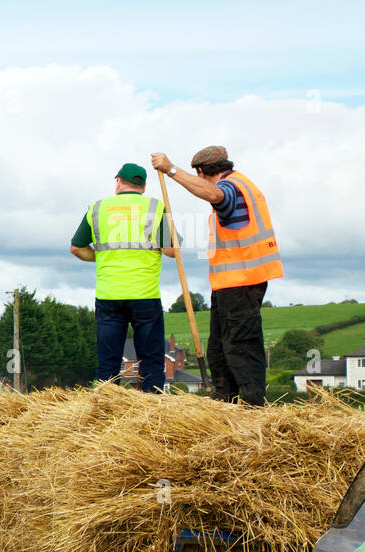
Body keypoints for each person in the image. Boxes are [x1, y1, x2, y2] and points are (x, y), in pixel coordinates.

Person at [151, 146, 282, 405]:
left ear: (202, 172)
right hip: (231, 284)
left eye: (197, 176)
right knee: (220, 349)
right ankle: (225, 402)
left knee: (240, 348)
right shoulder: (242, 184)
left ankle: (253, 407)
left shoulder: (231, 187)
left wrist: (171, 170)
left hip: (241, 282)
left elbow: (214, 194)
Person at [70, 162, 176, 392]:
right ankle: (152, 407)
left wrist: (106, 257)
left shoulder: (97, 208)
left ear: (118, 182)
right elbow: (171, 250)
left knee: (108, 361)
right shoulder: (156, 207)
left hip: (109, 295)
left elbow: (77, 248)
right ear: (144, 186)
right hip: (145, 295)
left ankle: (105, 411)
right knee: (151, 359)